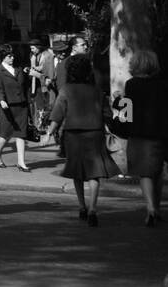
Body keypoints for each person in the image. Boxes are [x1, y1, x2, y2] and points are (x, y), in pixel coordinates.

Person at [47, 53, 119, 225]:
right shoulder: (97, 91)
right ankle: (93, 208)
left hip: (73, 135)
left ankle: (82, 207)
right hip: (94, 133)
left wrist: (49, 133)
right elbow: (107, 115)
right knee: (94, 172)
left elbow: (57, 115)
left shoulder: (66, 90)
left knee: (76, 171)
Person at [111, 49, 168, 226]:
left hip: (139, 133)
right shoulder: (165, 85)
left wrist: (118, 100)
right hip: (161, 133)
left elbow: (128, 110)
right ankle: (158, 206)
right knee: (157, 172)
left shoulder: (132, 84)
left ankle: (150, 209)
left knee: (145, 173)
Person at [0, 43, 32, 171]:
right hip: (7, 107)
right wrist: (1, 100)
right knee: (5, 134)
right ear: (3, 57)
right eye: (9, 56)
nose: (12, 58)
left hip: (21, 106)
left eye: (13, 56)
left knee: (21, 134)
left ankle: (21, 162)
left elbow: (24, 86)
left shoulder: (19, 69)